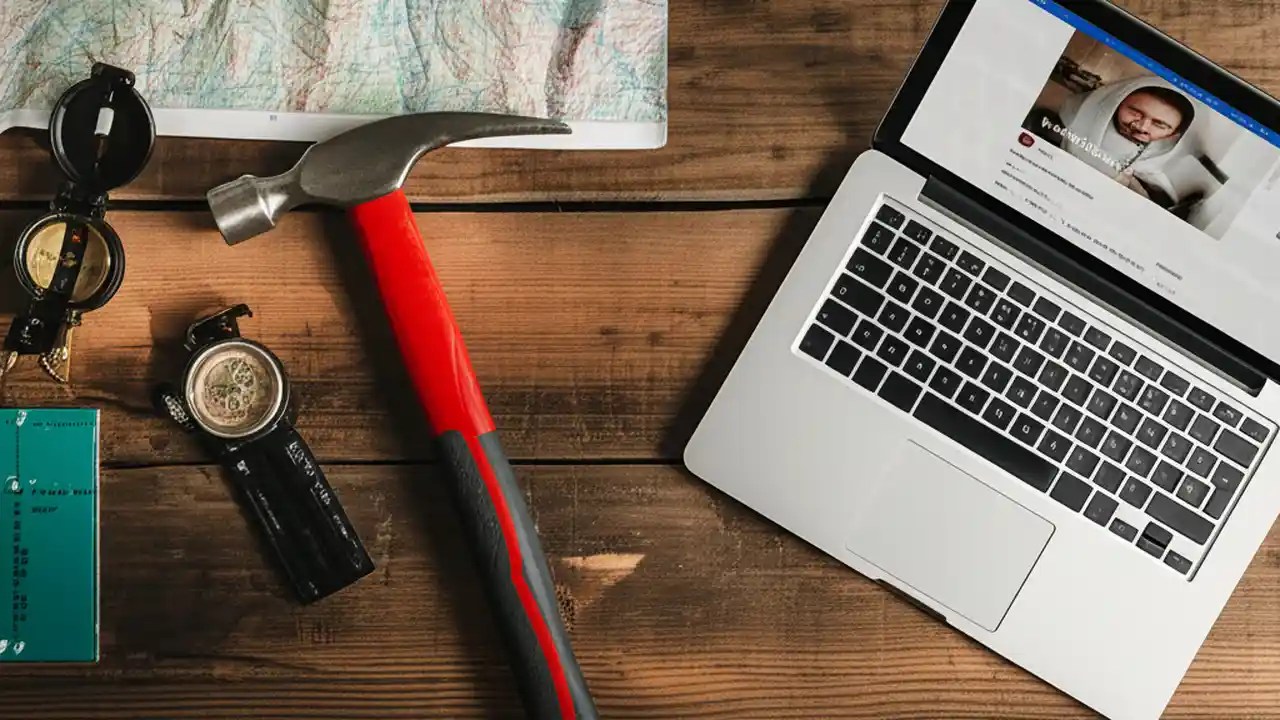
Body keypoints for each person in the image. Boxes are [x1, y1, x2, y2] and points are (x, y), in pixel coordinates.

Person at [1026, 75, 1196, 206]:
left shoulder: (1157, 172)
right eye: (1135, 112)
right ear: (1116, 102)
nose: (1142, 126)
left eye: (1159, 124)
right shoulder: (1058, 126)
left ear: (1173, 134)